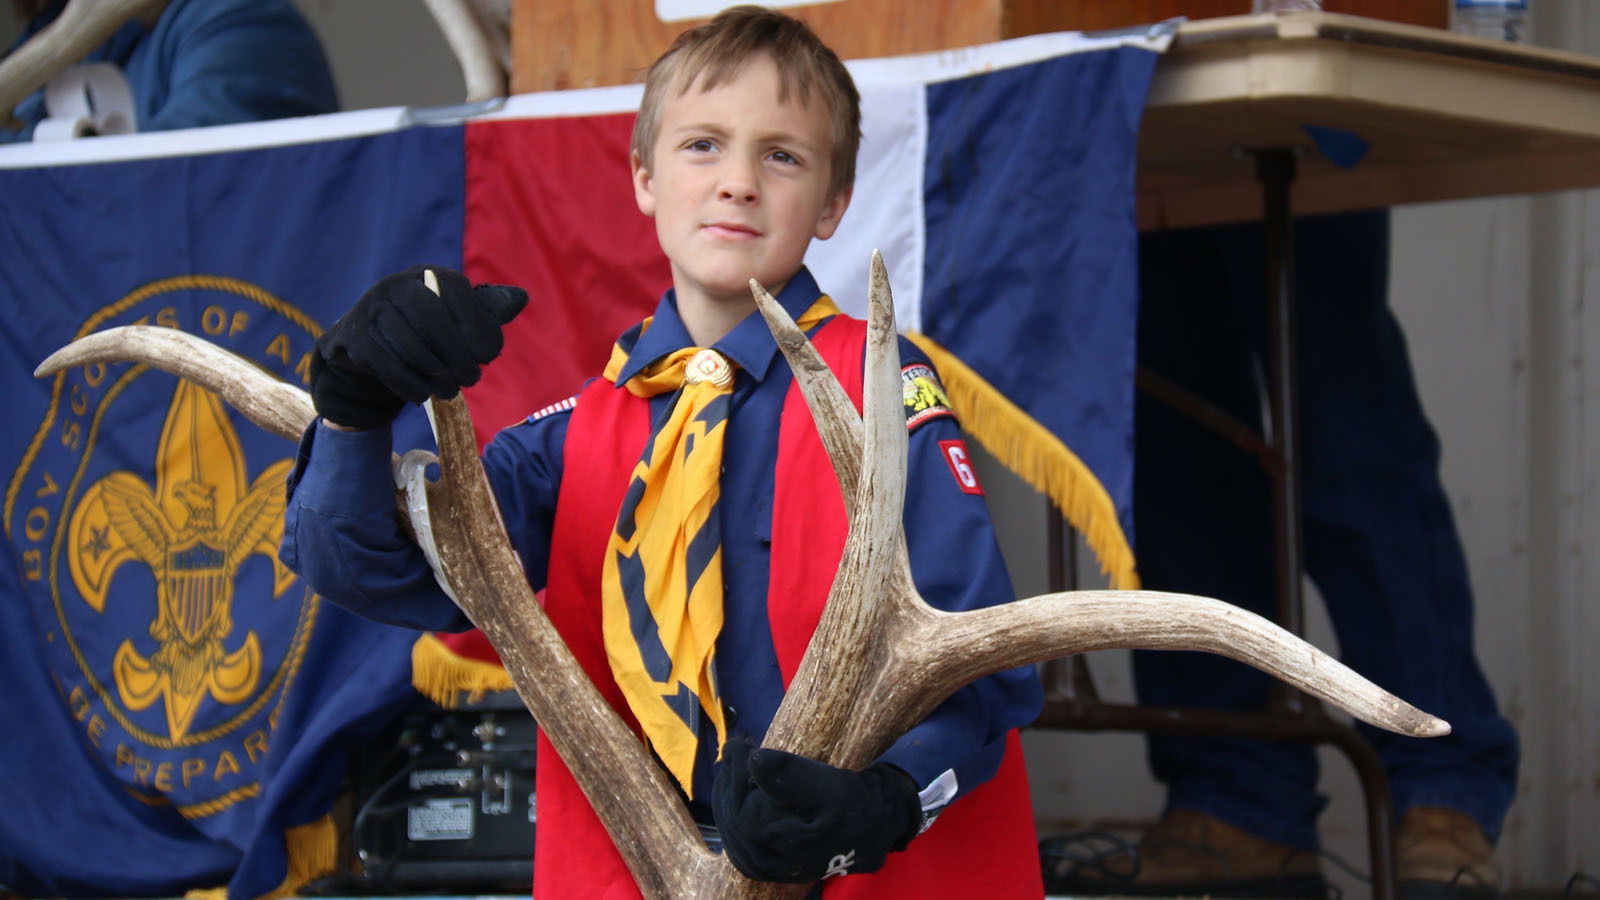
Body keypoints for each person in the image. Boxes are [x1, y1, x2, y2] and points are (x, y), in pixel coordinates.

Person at [279, 7, 1044, 898]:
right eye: (702, 146)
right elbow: (370, 569)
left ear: (834, 201)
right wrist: (352, 416)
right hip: (632, 872)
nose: (738, 184)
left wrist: (887, 801)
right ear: (643, 176)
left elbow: (979, 665)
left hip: (848, 873)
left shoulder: (884, 392)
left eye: (783, 156)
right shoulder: (572, 436)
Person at [1049, 210, 1519, 898]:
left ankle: (1441, 786)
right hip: (1127, 126)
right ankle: (1238, 797)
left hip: (1292, 121)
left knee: (1343, 415)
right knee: (1174, 434)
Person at [3, 0, 337, 142]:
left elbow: (170, 179)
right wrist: (51, 50)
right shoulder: (47, 29)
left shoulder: (243, 22)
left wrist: (59, 47)